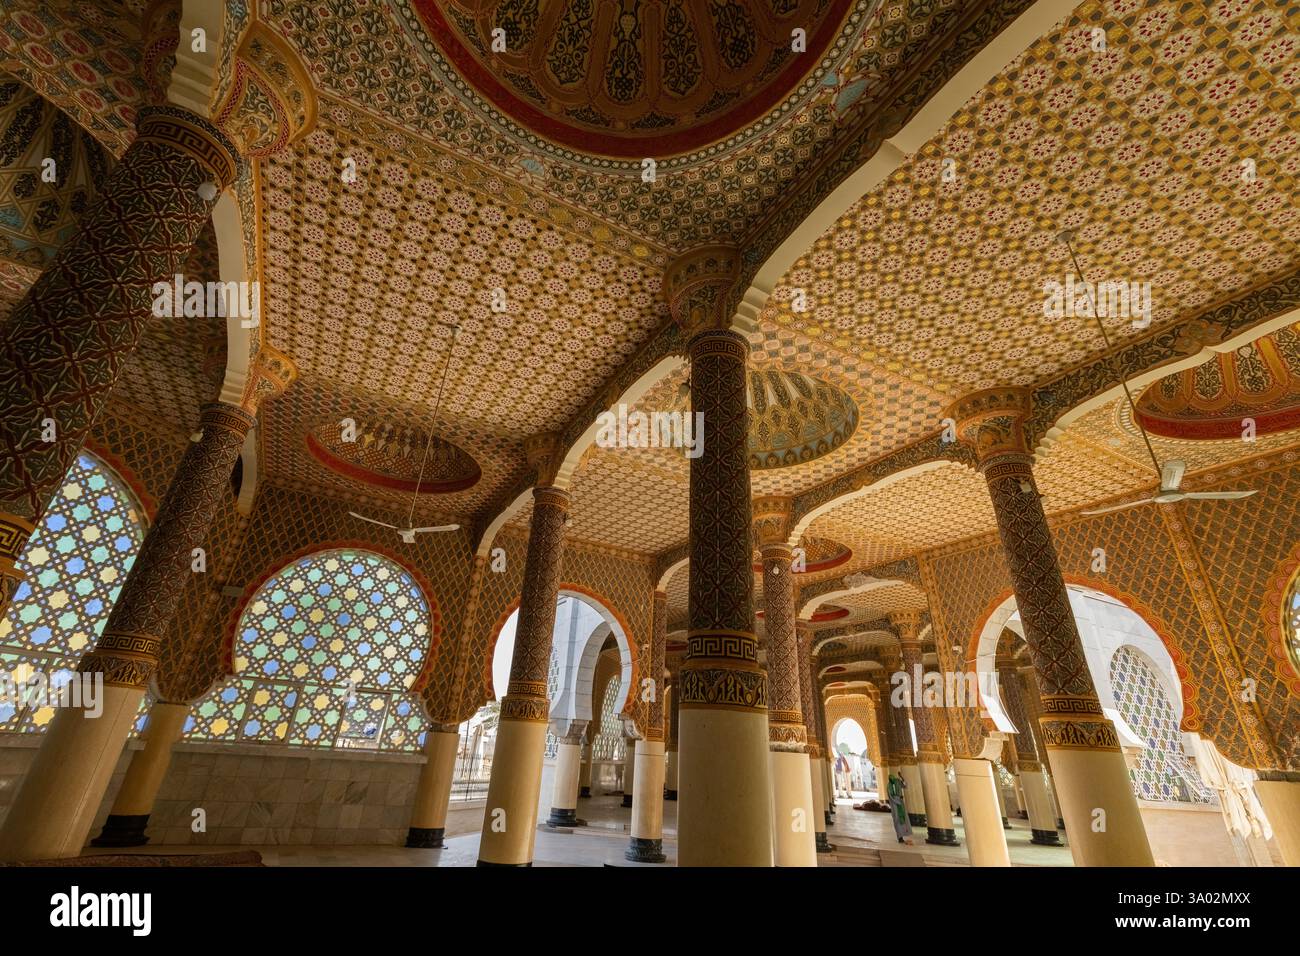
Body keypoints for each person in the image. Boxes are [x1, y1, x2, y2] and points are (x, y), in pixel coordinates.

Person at [887, 772, 914, 845]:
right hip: (895, 805)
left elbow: (905, 786)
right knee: (897, 819)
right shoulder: (889, 786)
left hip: (900, 803)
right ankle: (899, 837)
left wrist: (902, 777)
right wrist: (897, 801)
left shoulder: (897, 782)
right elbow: (891, 797)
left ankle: (904, 834)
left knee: (904, 818)